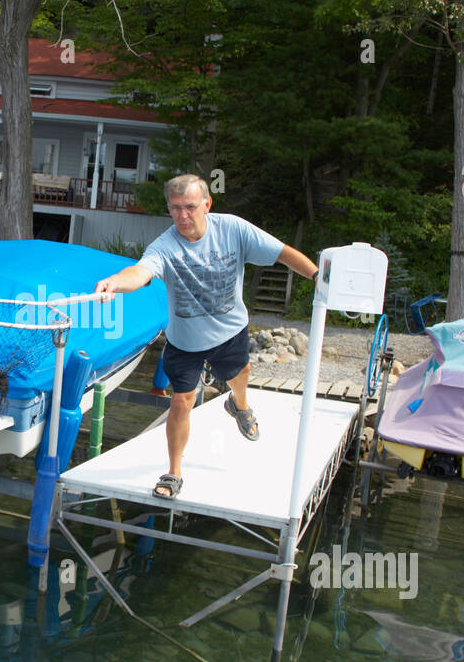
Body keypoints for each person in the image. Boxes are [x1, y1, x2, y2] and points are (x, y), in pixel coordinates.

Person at [94, 174, 317, 500]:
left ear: (207, 205)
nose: (183, 216)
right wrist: (114, 282)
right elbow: (141, 272)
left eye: (190, 207)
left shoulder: (234, 230)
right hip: (185, 342)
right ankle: (174, 472)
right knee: (181, 401)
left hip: (230, 332)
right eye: (175, 209)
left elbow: (283, 252)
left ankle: (239, 405)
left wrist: (316, 276)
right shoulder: (165, 246)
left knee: (240, 376)